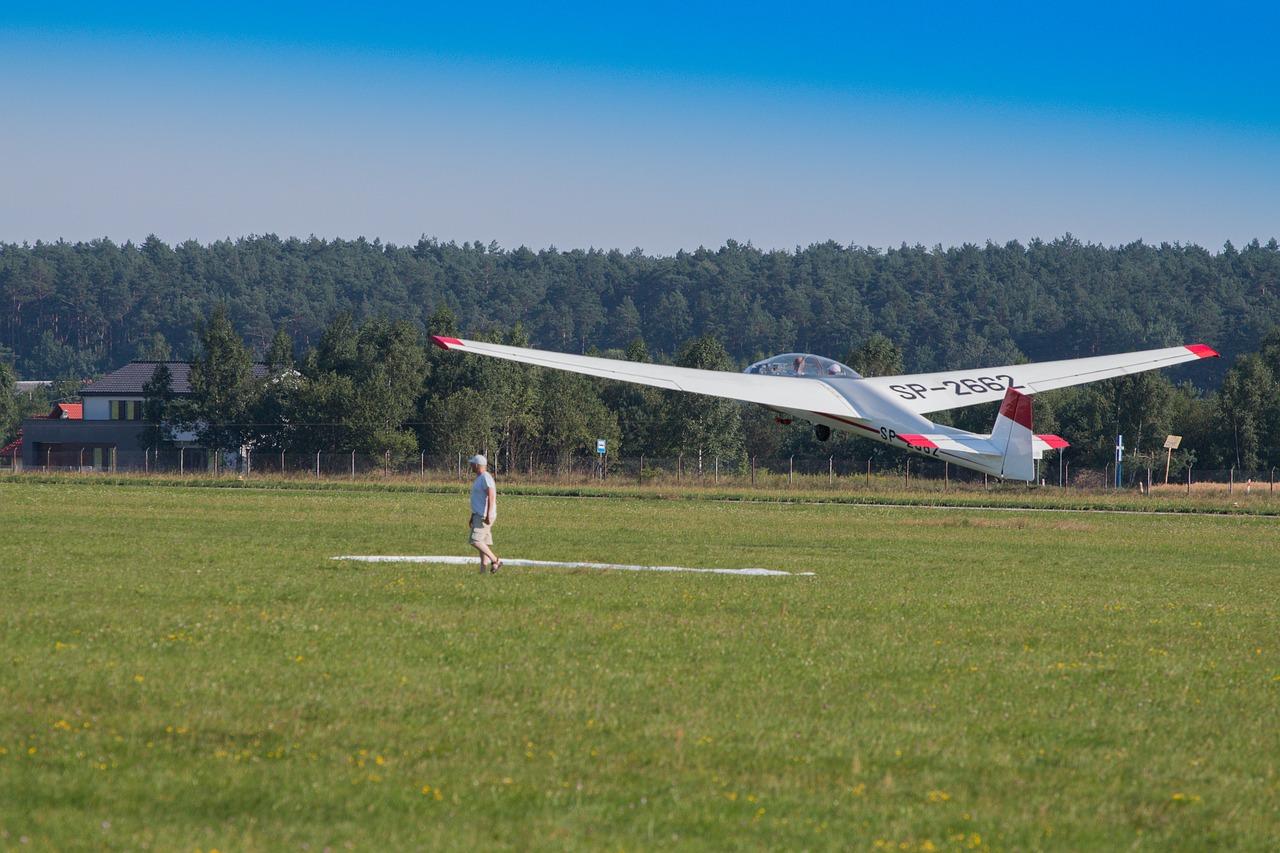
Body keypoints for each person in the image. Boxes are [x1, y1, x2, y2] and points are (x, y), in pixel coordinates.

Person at [467, 454, 502, 573]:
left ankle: (495, 560)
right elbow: (479, 498)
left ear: (477, 465)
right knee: (484, 543)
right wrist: (473, 515)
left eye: (472, 464)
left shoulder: (485, 477)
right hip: (478, 514)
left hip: (484, 515)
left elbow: (491, 495)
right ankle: (483, 571)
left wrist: (488, 514)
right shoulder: (480, 478)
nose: (471, 465)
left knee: (475, 540)